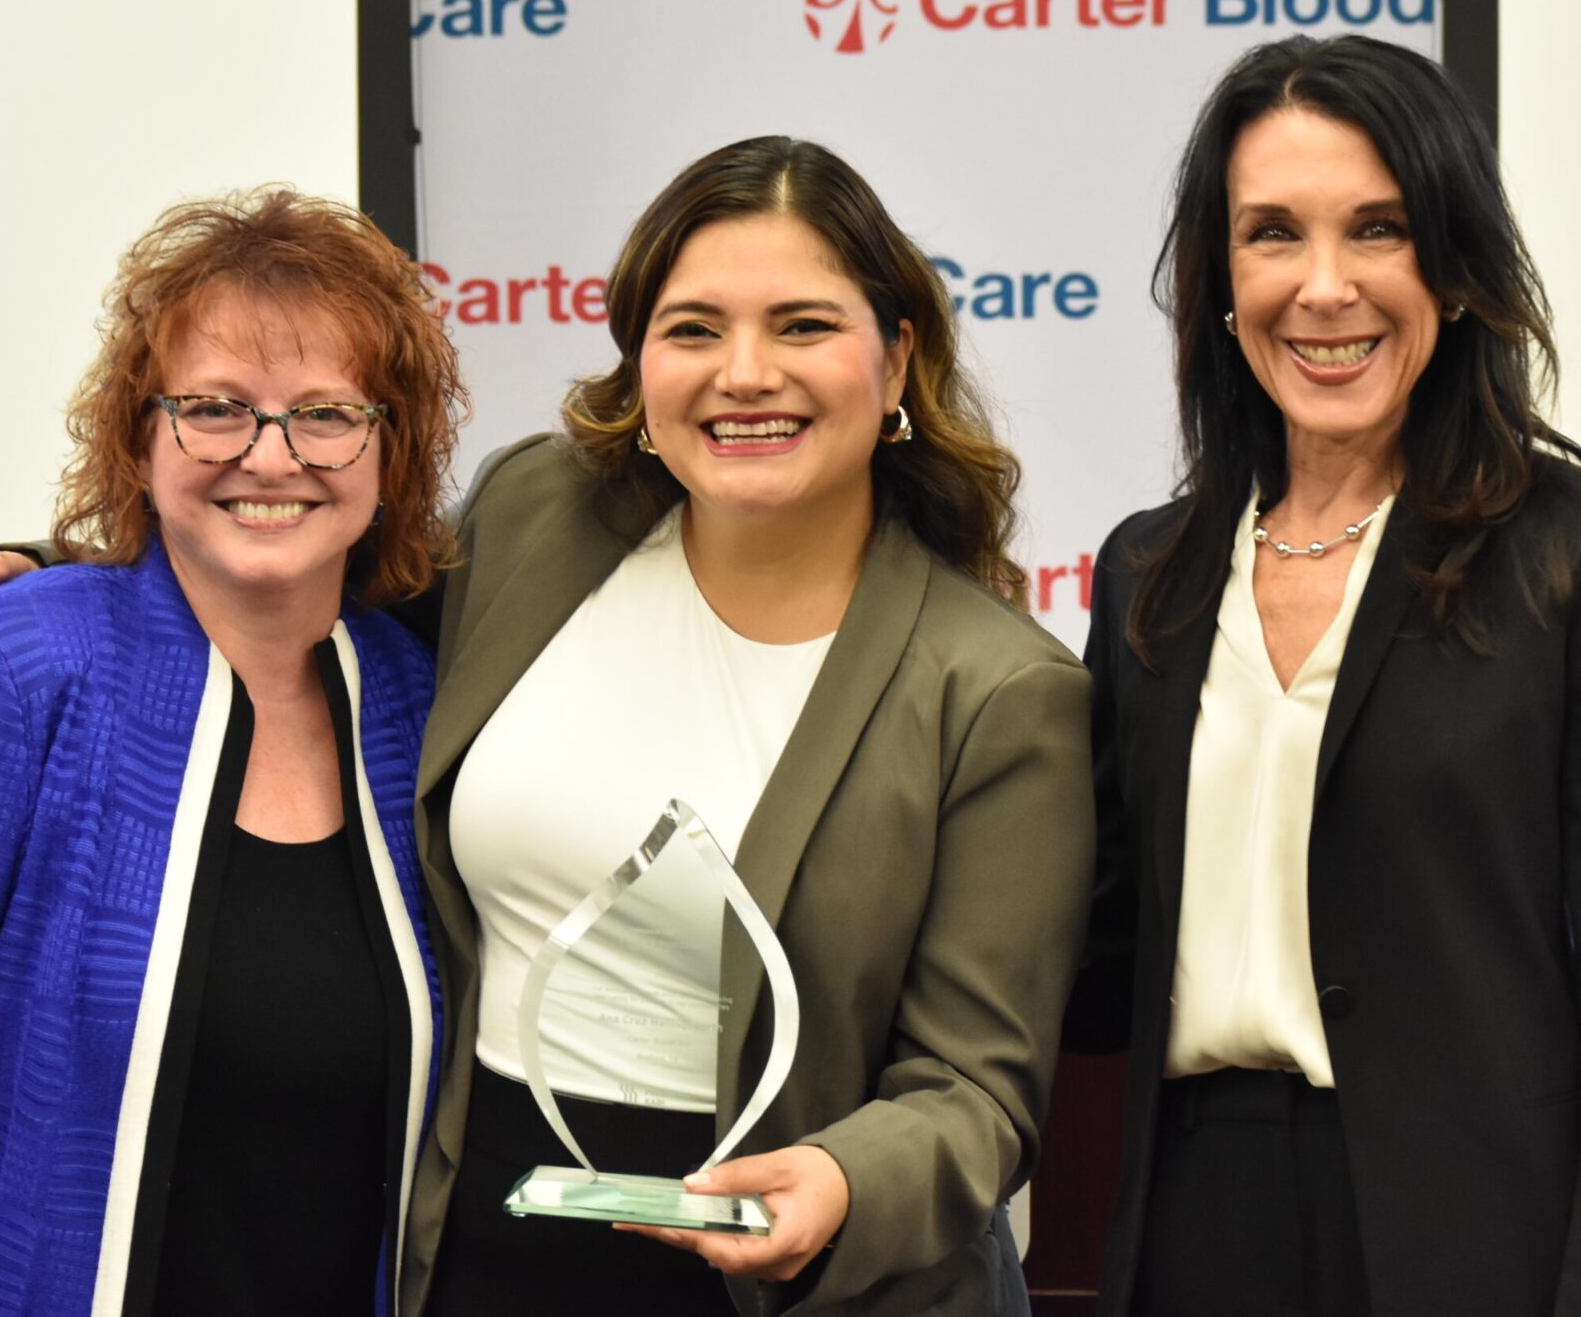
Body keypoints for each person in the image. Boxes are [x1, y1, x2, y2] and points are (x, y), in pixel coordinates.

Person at [1064, 35, 1581, 1317]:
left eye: (1378, 229)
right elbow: (1090, 961)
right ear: (1217, 279)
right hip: (1191, 1231)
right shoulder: (1147, 572)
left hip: (1474, 1246)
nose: (1323, 288)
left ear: (1455, 269)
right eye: (1270, 234)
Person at [0, 189, 464, 1315]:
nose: (270, 456)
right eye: (214, 408)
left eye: (326, 414)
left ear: (390, 449)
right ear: (139, 434)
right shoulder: (4, 669)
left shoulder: (416, 705)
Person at [397, 136, 1093, 1316]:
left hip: (799, 1285)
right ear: (640, 362)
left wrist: (843, 1179)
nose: (745, 372)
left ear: (895, 360)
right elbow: (307, 599)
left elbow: (977, 1093)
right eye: (693, 329)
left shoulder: (996, 690)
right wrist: (71, 577)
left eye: (802, 326)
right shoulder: (532, 516)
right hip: (484, 1253)